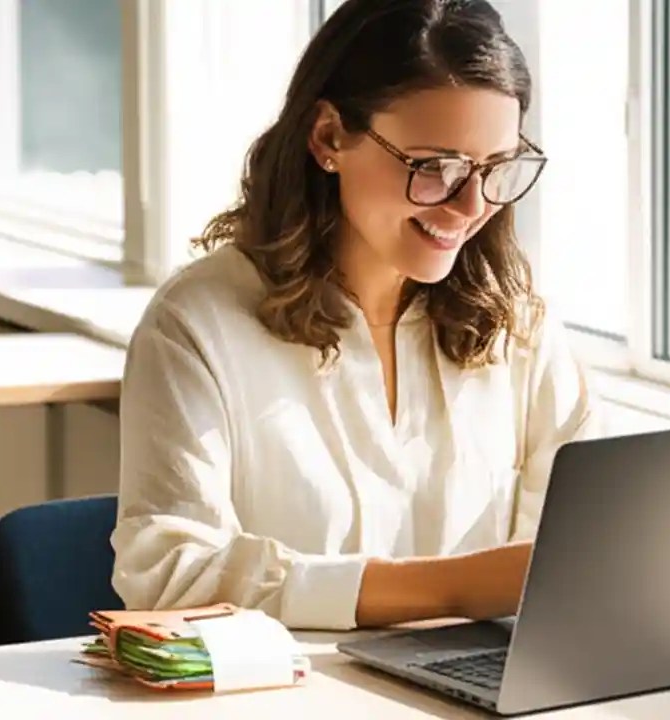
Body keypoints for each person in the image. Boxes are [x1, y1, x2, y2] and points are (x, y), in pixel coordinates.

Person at [110, 0, 603, 632]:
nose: (471, 205)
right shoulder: (198, 325)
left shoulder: (518, 326)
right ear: (328, 138)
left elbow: (586, 550)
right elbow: (170, 575)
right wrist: (457, 588)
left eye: (495, 169)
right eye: (436, 168)